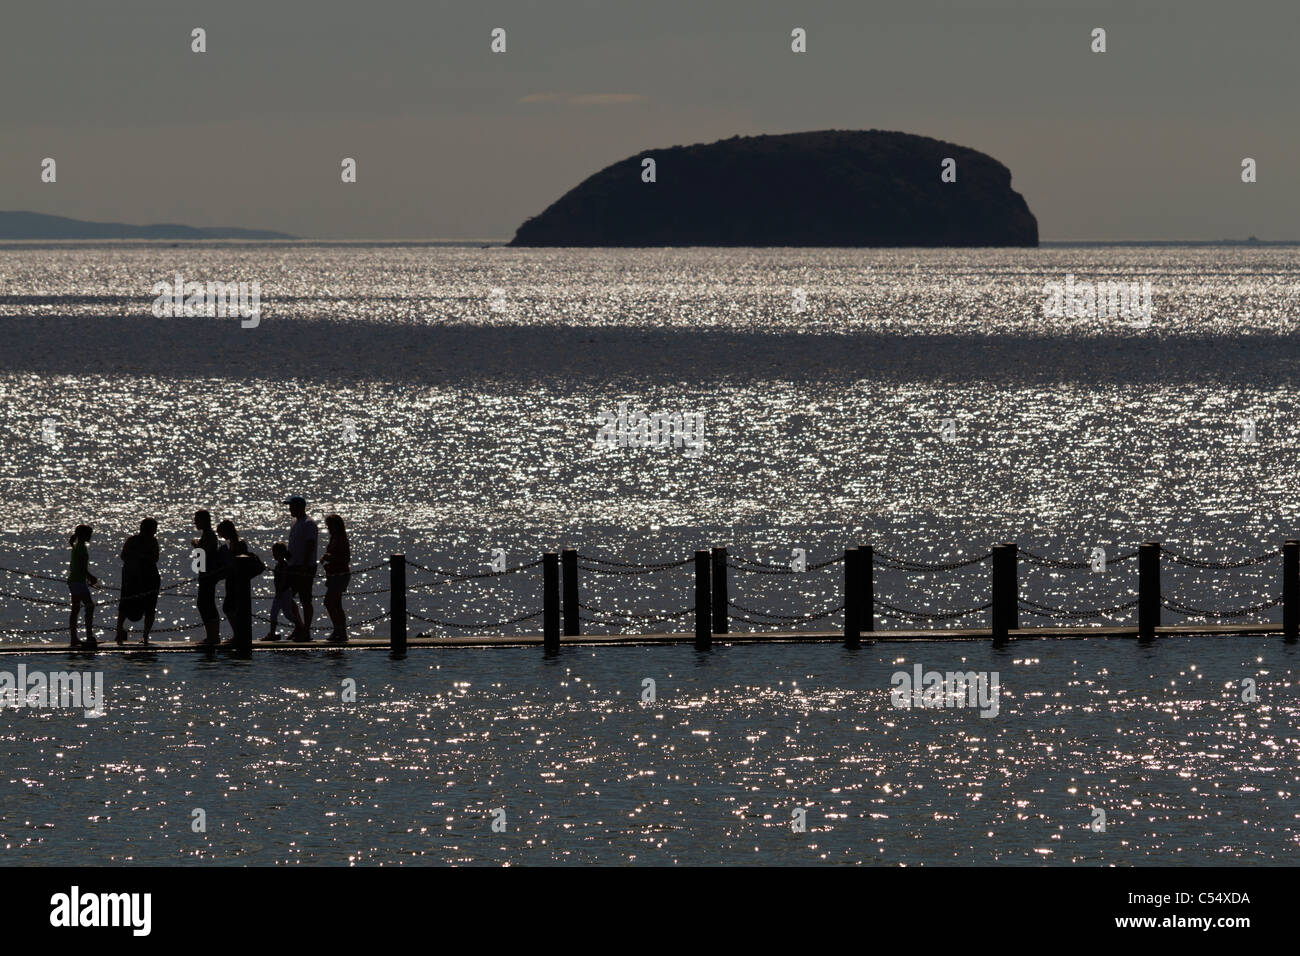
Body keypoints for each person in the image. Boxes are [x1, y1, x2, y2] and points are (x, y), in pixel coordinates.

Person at [116, 518, 161, 645]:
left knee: (149, 608)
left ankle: (145, 636)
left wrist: (139, 556)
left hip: (149, 578)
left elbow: (155, 558)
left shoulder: (152, 541)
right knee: (125, 606)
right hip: (132, 578)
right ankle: (119, 633)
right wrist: (142, 557)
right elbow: (124, 556)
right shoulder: (133, 540)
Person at [285, 496, 318, 641]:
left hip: (305, 566)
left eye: (291, 506)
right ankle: (299, 626)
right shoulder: (295, 522)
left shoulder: (308, 523)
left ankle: (306, 630)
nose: (289, 509)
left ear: (299, 507)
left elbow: (310, 545)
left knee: (305, 599)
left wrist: (305, 565)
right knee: (286, 597)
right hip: (293, 565)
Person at [263, 542, 306, 641]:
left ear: (281, 553)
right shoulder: (280, 565)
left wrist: (279, 591)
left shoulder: (283, 565)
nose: (273, 555)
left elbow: (283, 579)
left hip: (284, 593)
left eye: (275, 552)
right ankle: (273, 633)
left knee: (288, 614)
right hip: (281, 592)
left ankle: (300, 627)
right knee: (274, 613)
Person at [192, 510, 222, 647]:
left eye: (197, 519)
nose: (195, 522)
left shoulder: (209, 535)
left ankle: (213, 636)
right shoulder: (207, 534)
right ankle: (211, 635)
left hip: (208, 575)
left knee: (206, 604)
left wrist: (196, 545)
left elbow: (202, 553)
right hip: (205, 574)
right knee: (204, 604)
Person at [67, 524, 99, 649]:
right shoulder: (81, 548)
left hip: (77, 581)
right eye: (89, 534)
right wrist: (91, 578)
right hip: (78, 582)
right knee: (87, 607)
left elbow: (73, 566)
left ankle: (77, 637)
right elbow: (81, 567)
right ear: (83, 535)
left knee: (78, 609)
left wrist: (86, 579)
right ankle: (87, 636)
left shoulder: (77, 547)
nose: (90, 536)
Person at [322, 513, 351, 643]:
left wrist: (330, 558)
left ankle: (339, 630)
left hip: (340, 574)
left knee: (329, 602)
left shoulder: (341, 539)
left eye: (330, 526)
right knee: (336, 604)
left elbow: (345, 558)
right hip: (333, 574)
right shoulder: (334, 538)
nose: (328, 529)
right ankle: (340, 631)